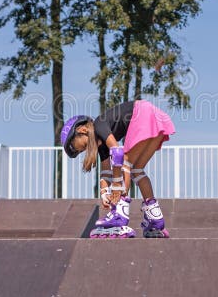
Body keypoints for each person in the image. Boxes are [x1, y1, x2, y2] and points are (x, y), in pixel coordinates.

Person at [60, 99, 175, 238]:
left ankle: (120, 214)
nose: (85, 151)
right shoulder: (101, 145)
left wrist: (116, 186)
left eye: (83, 147)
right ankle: (155, 217)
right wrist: (103, 192)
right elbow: (105, 171)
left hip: (141, 113)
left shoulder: (99, 125)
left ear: (82, 130)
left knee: (125, 163)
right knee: (137, 170)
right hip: (154, 116)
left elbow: (117, 152)